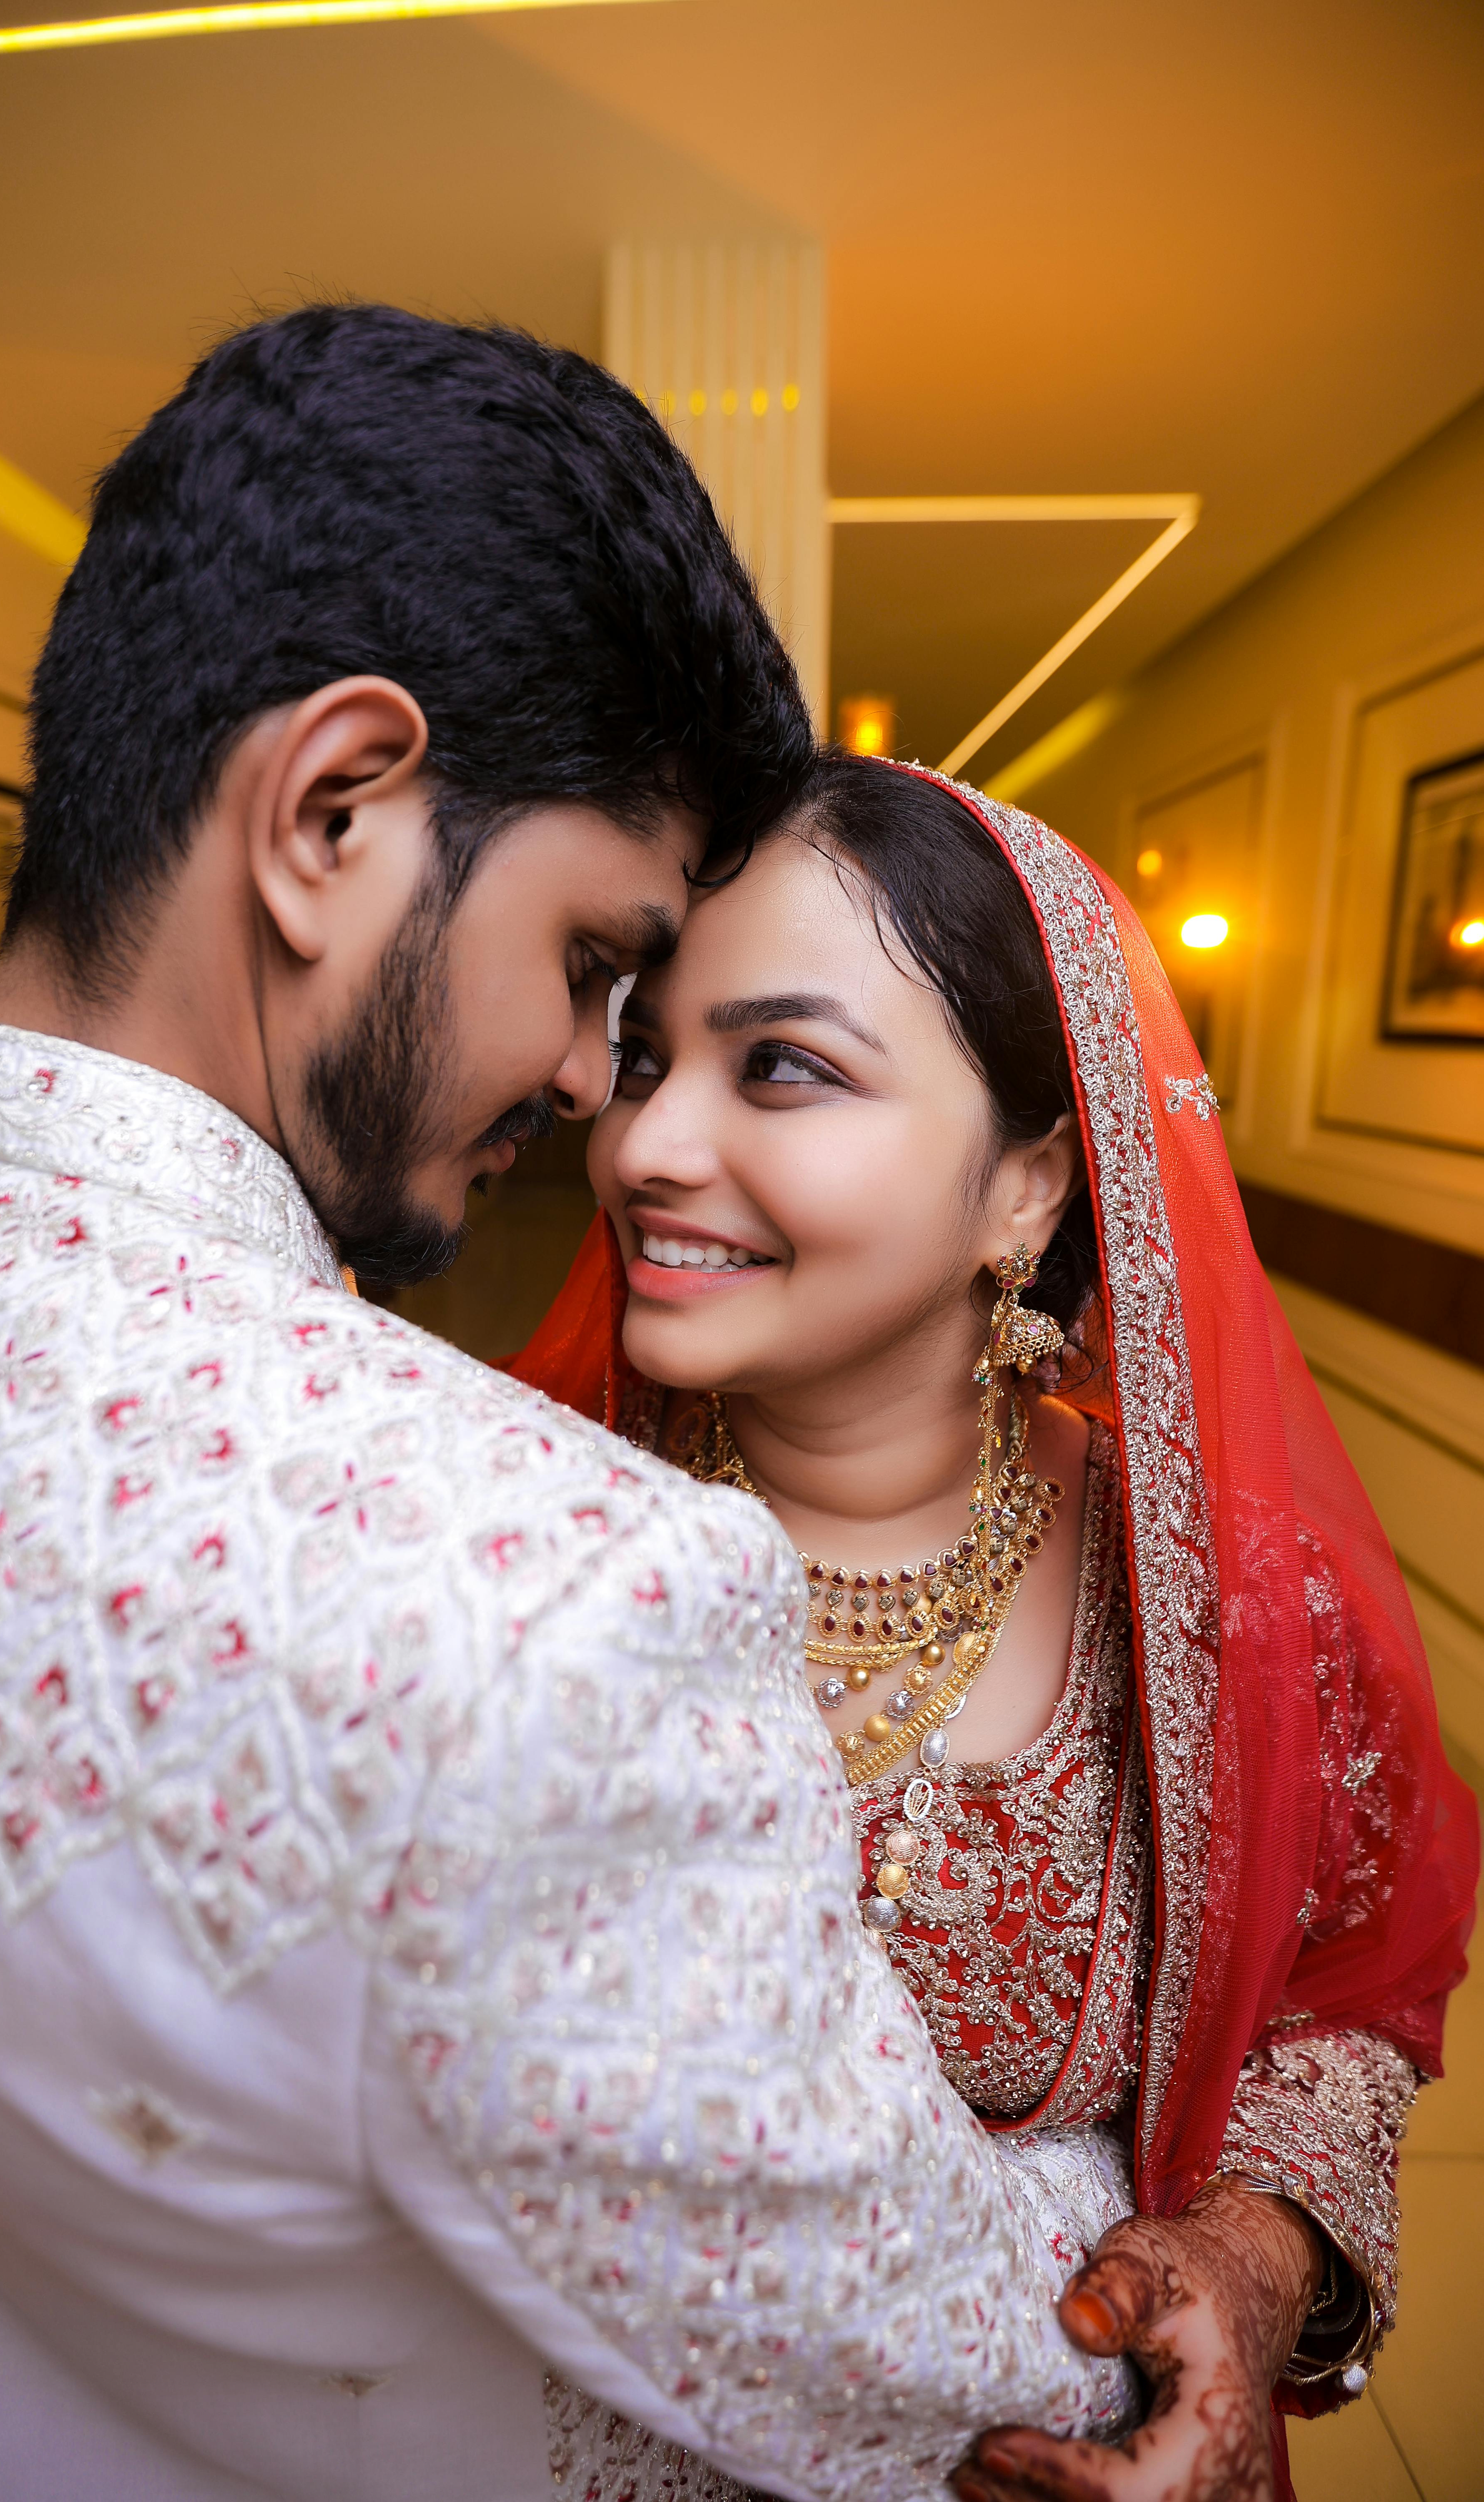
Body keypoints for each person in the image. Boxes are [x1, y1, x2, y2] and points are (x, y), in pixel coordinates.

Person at [0, 306, 1148, 2502]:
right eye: (604, 969)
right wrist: (1140, 2225)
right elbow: (949, 2349)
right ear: (333, 812)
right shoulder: (559, 1604)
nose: (591, 1094)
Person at [508, 749, 1480, 2502]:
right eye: (641, 1056)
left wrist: (1254, 2261)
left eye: (783, 1068)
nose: (646, 1145)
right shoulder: (499, 1526)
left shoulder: (1228, 1610)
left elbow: (1341, 2000)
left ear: (1029, 1186)